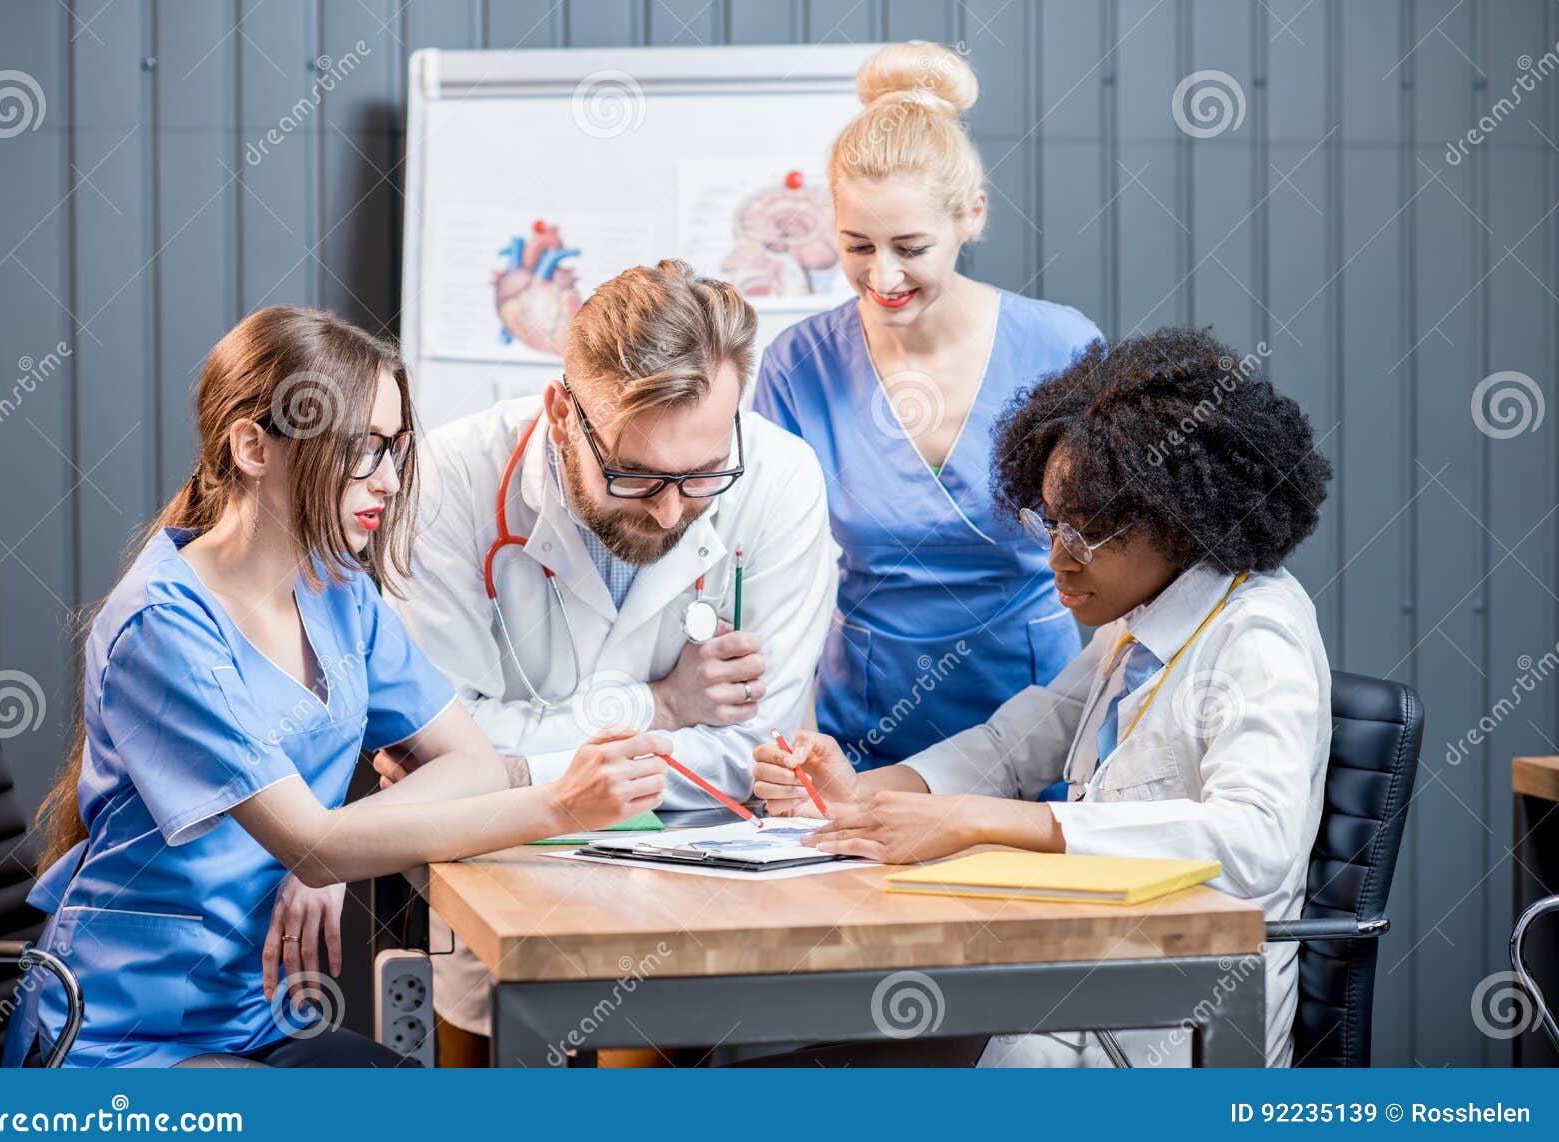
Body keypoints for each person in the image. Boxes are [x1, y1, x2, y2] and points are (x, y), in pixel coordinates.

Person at [6, 306, 669, 1069]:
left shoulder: (340, 592)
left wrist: (339, 844)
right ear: (253, 447)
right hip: (122, 1037)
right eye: (362, 450)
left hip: (258, 1022)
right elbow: (315, 845)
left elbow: (472, 763)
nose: (389, 479)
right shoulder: (165, 627)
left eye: (396, 448)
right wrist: (558, 807)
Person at [754, 328, 1335, 1068]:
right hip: (1073, 997)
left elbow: (1255, 843)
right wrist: (860, 795)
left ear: (1181, 526)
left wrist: (978, 821)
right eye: (1053, 524)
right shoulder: (1137, 624)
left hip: (1168, 1034)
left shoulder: (1258, 635)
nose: (1057, 558)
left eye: (1089, 535)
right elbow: (1009, 748)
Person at [387, 259, 836, 1057]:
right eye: (635, 476)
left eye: (703, 476)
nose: (668, 511)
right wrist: (660, 705)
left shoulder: (780, 479)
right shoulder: (448, 481)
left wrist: (511, 769)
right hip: (497, 863)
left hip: (694, 864)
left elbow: (752, 746)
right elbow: (438, 744)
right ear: (562, 413)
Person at [754, 41, 1101, 770]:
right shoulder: (798, 366)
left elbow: (1118, 543)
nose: (883, 277)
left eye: (910, 248)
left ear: (972, 215)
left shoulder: (1061, 347)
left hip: (1037, 716)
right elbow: (765, 571)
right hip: (861, 725)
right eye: (858, 246)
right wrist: (785, 734)